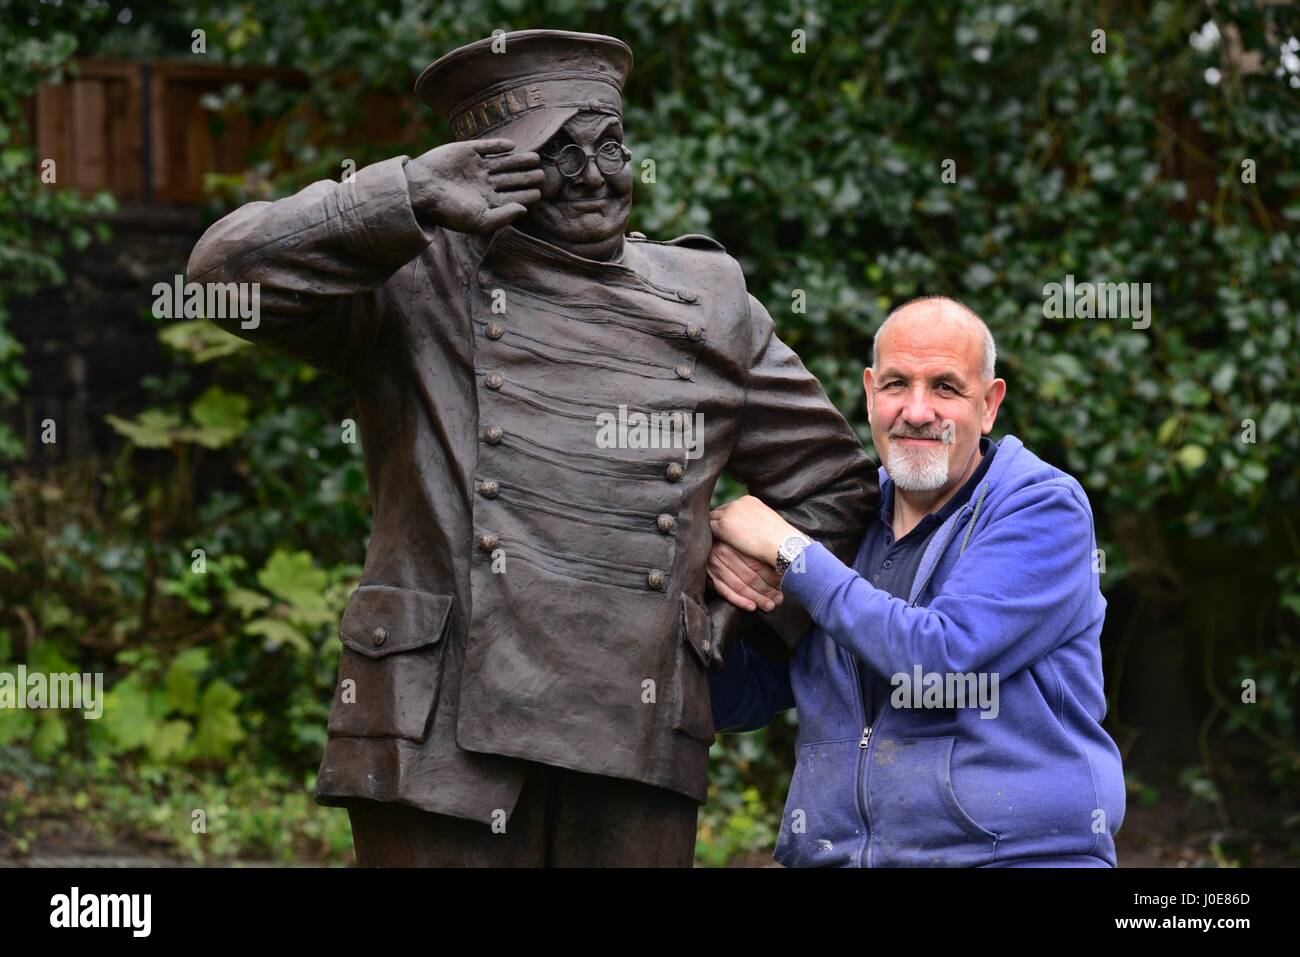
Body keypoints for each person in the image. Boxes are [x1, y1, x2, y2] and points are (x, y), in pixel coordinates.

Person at [186, 29, 875, 866]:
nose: (593, 174)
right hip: (435, 732)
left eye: (611, 147)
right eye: (558, 152)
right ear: (487, 169)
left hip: (638, 728)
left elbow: (836, 486)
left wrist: (740, 597)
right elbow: (221, 278)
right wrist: (404, 191)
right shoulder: (413, 282)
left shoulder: (712, 299)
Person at [707, 296, 1126, 867]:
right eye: (897, 384)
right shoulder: (846, 517)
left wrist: (787, 550)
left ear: (990, 404)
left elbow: (937, 660)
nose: (918, 410)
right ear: (869, 393)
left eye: (946, 388)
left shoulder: (1041, 509)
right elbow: (748, 698)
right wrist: (705, 579)